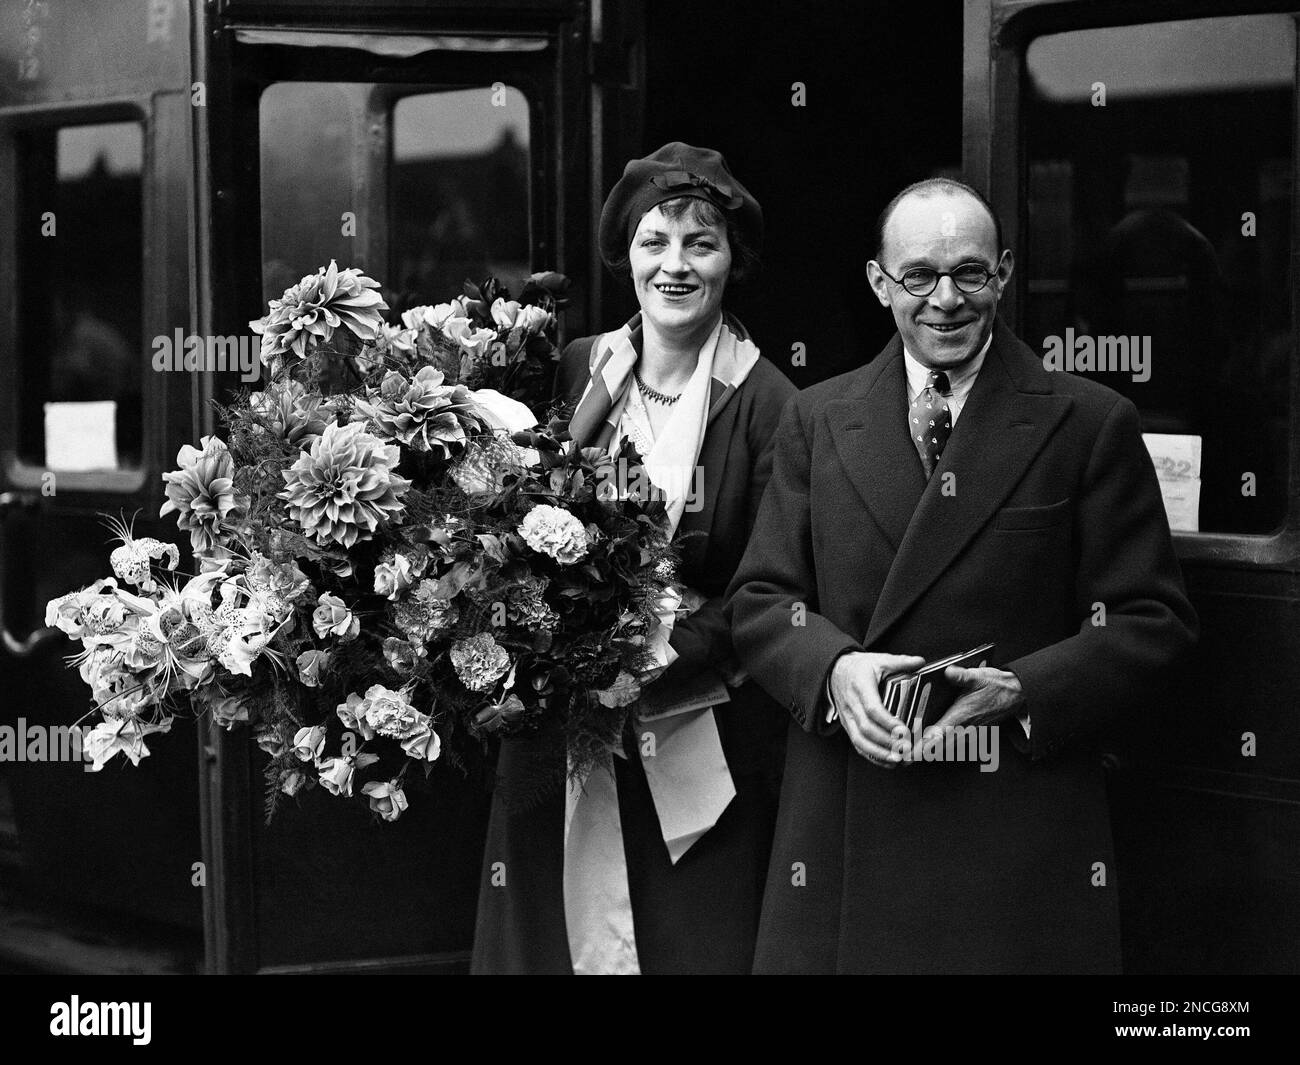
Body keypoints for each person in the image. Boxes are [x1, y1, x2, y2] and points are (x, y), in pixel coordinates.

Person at [726, 177, 1198, 974]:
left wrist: (1023, 689)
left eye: (970, 274)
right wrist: (833, 667)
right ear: (880, 283)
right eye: (919, 276)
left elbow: (1152, 617)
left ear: (1005, 273)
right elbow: (763, 600)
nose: (946, 299)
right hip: (848, 816)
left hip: (1012, 824)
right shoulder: (816, 416)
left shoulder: (1086, 421)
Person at [471, 142, 795, 974]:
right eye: (654, 242)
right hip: (560, 736)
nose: (675, 266)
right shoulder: (579, 368)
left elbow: (772, 589)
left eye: (701, 242)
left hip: (694, 739)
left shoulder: (771, 405)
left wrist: (632, 658)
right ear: (628, 256)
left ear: (733, 261)